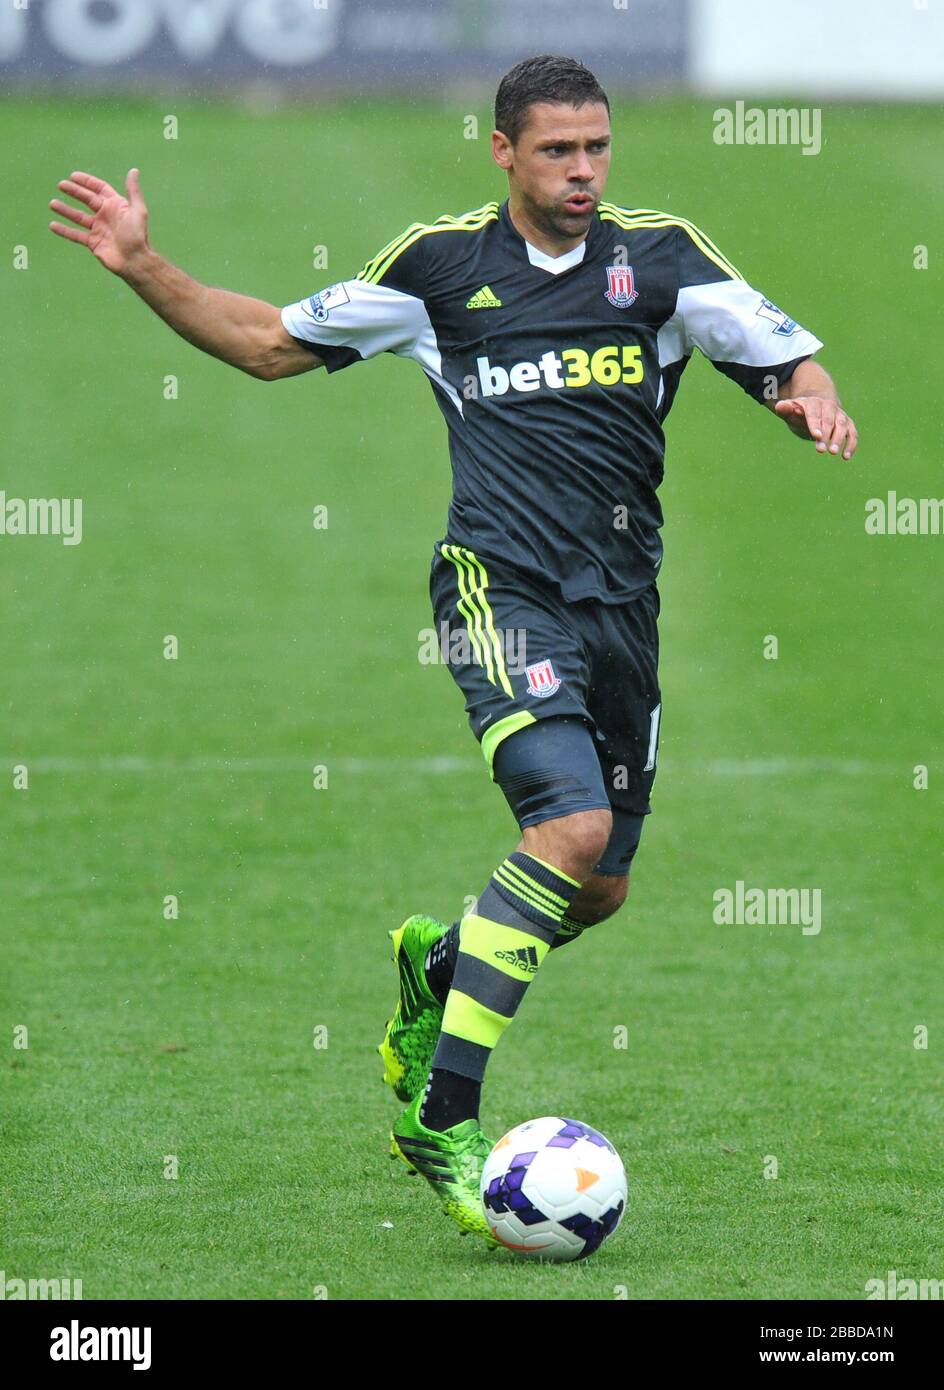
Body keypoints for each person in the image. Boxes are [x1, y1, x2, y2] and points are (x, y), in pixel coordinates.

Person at [49, 53, 858, 1248]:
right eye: (555, 151)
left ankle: (442, 966)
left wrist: (811, 397)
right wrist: (142, 265)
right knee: (567, 831)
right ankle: (444, 1116)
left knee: (600, 884)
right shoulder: (437, 270)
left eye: (595, 147)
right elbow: (268, 341)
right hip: (498, 587)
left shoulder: (662, 259)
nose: (581, 171)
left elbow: (782, 348)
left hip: (621, 609)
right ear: (500, 152)